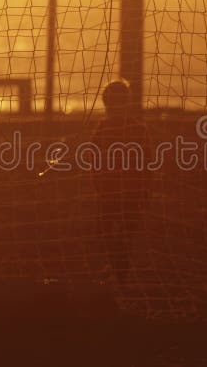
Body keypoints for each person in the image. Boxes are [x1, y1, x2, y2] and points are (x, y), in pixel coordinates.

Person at [91, 81, 151, 283]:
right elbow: (147, 164)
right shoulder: (138, 129)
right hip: (130, 192)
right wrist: (146, 191)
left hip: (110, 192)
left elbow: (94, 160)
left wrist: (98, 186)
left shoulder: (103, 128)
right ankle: (119, 269)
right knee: (124, 235)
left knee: (110, 233)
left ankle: (117, 268)